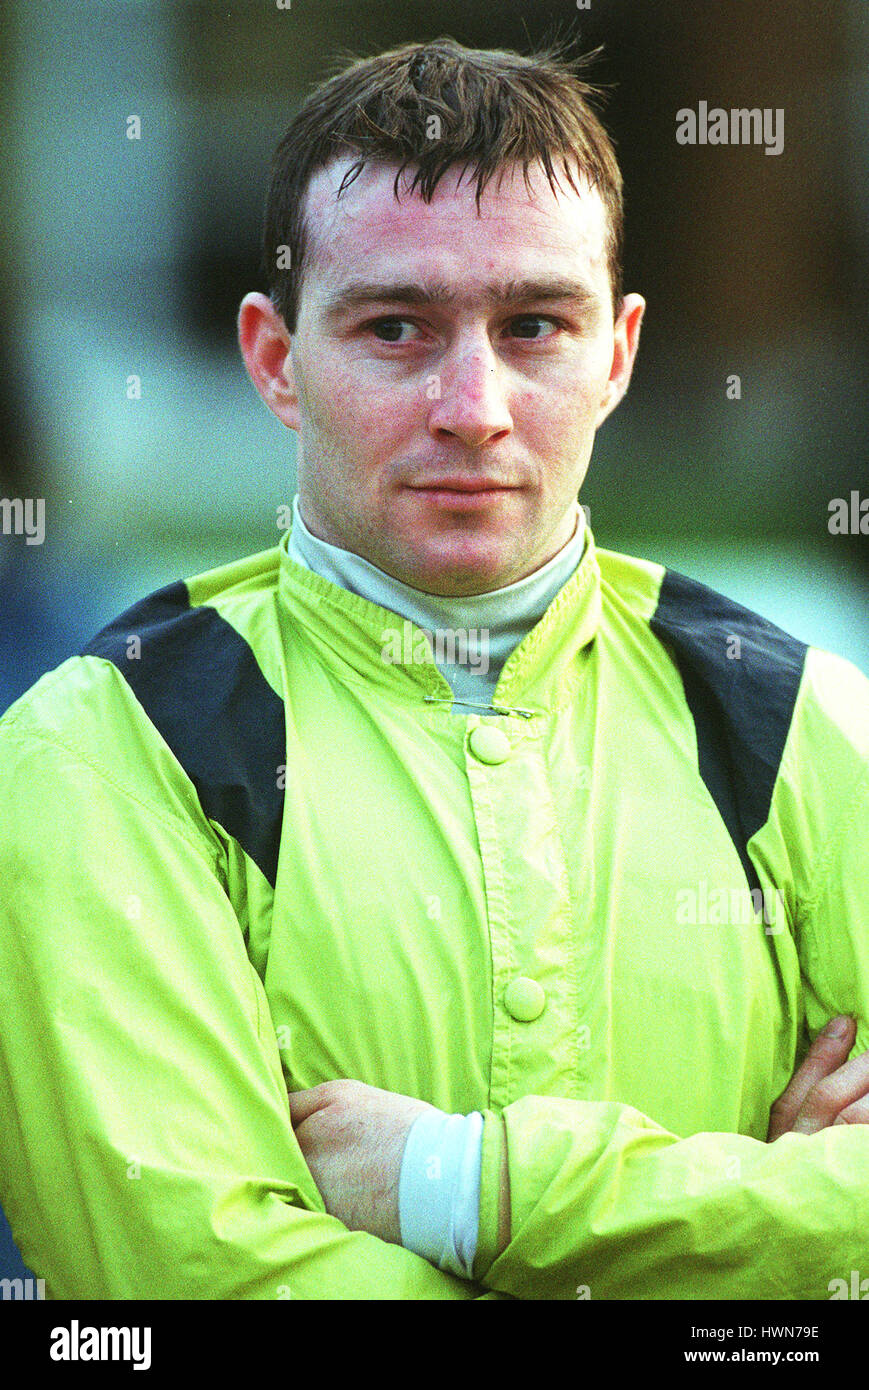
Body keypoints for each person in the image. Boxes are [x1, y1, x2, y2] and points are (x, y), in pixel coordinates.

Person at [1, 37, 867, 1302]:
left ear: (616, 354)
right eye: (396, 327)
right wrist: (756, 1238)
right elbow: (182, 1283)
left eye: (533, 326)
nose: (473, 404)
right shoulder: (101, 749)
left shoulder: (800, 719)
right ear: (274, 358)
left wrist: (451, 1186)